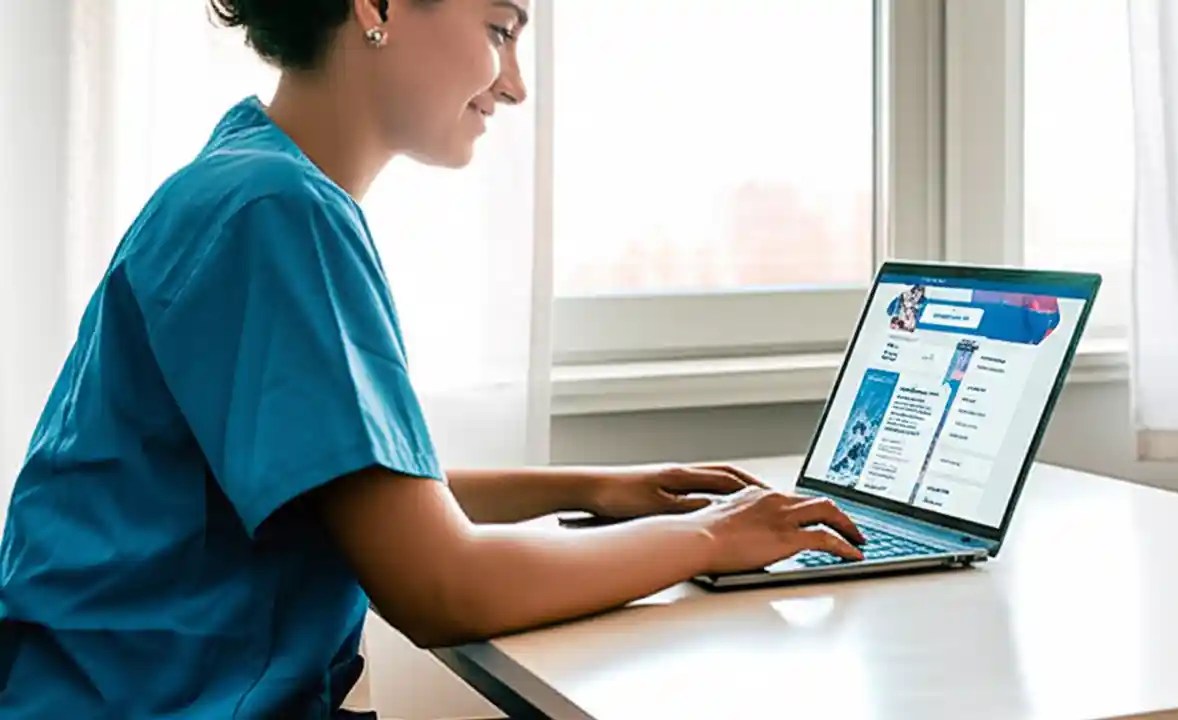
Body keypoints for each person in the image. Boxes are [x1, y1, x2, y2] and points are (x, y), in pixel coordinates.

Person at [0, 1, 865, 717]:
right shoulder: (277, 212)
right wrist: (708, 537)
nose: (515, 85)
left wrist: (588, 488)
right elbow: (441, 586)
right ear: (374, 7)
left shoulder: (248, 179)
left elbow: (358, 494)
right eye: (500, 29)